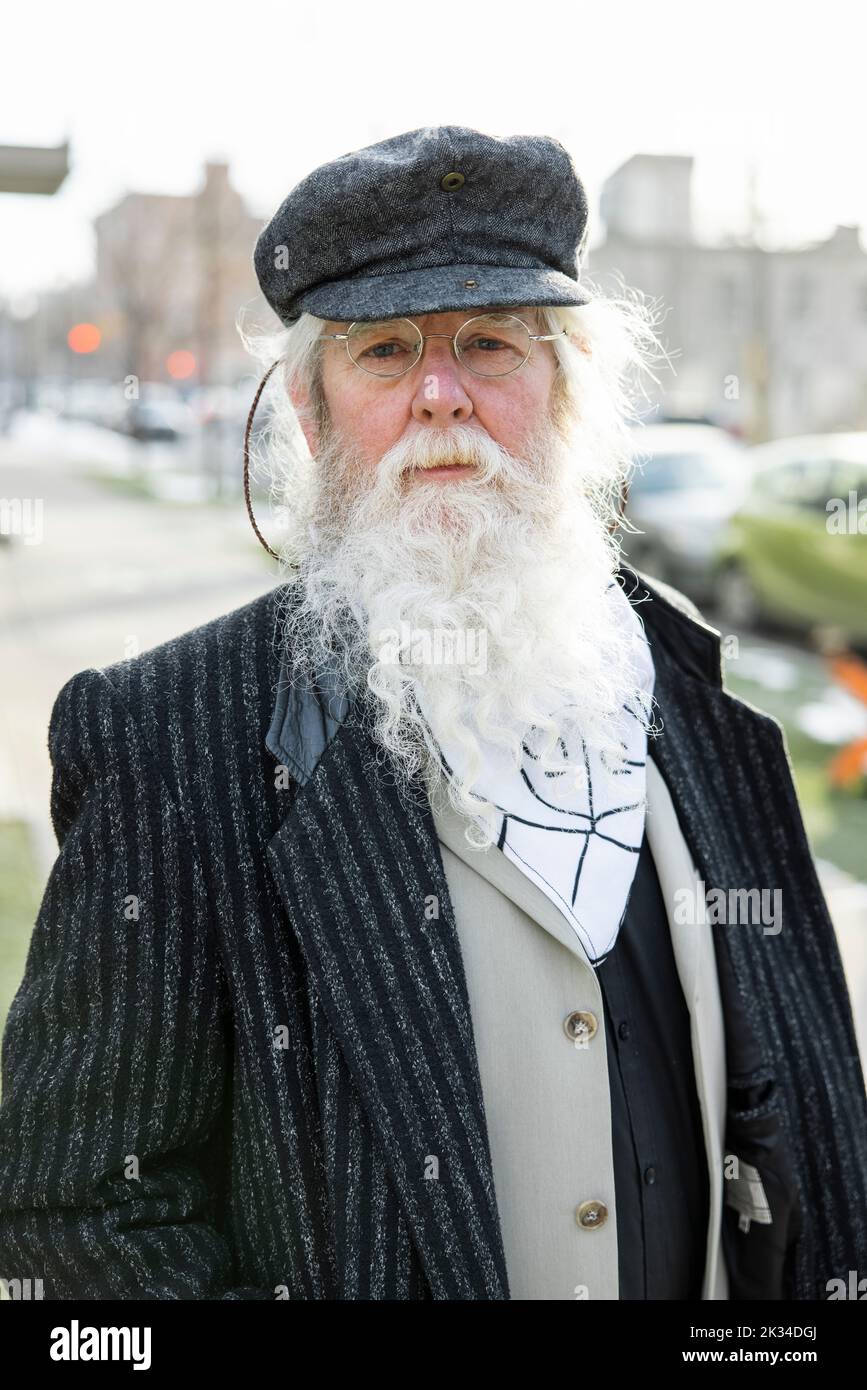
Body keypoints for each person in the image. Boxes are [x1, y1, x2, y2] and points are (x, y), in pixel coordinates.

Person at [0, 126, 864, 1301]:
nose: (441, 396)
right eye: (388, 350)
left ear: (565, 395)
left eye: (492, 343)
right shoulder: (164, 741)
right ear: (312, 418)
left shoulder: (713, 718)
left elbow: (820, 1152)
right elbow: (75, 1224)